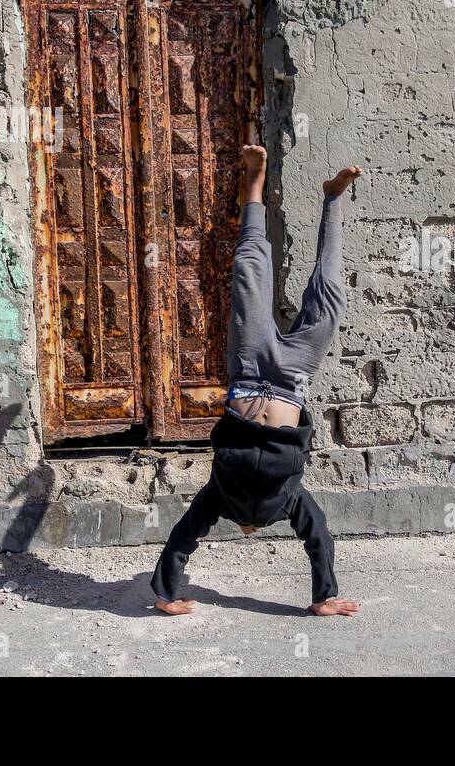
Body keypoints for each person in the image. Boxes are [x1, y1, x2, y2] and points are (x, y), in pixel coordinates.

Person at [150, 144, 362, 618]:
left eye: (245, 527)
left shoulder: (216, 499)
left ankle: (254, 185)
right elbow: (319, 538)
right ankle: (332, 200)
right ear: (260, 523)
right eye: (252, 527)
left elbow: (185, 536)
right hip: (292, 380)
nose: (248, 528)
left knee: (249, 271)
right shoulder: (290, 504)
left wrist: (165, 594)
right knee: (329, 301)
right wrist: (324, 597)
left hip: (247, 373)